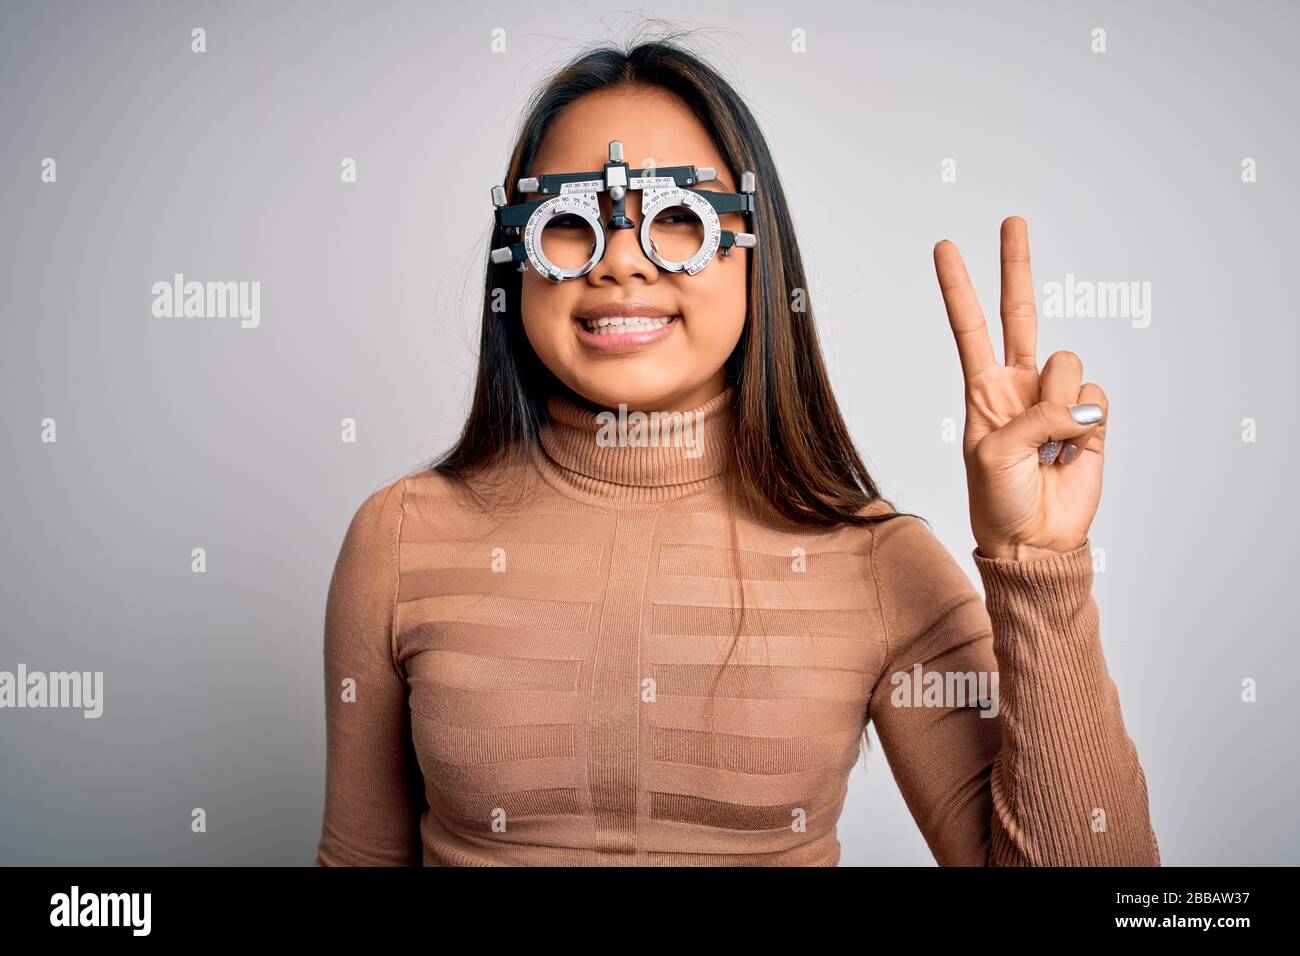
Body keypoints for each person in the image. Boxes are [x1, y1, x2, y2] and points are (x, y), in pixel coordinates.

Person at [313, 38, 1159, 866]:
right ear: (517, 256)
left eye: (677, 219)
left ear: (757, 254)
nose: (620, 263)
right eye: (568, 223)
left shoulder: (876, 562)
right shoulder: (399, 540)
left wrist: (1036, 566)